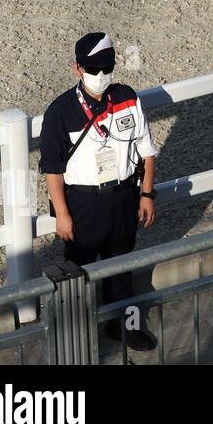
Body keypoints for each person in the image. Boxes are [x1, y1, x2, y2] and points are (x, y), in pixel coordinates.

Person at [40, 32, 159, 351]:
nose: (101, 76)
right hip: (83, 203)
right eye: (94, 69)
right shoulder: (60, 112)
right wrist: (62, 215)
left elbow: (147, 151)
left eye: (107, 68)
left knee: (122, 266)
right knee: (75, 274)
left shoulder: (128, 97)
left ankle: (124, 327)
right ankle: (71, 338)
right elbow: (52, 170)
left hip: (123, 197)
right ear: (77, 69)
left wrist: (147, 194)